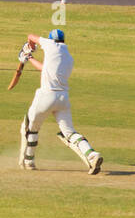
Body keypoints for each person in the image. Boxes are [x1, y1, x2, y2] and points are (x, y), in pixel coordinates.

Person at [18, 30, 103, 174]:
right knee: (70, 133)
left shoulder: (50, 44)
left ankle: (29, 161)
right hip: (63, 99)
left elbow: (31, 36)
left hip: (46, 96)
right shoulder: (69, 58)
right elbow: (44, 69)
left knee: (30, 128)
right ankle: (92, 155)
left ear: (52, 39)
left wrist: (29, 46)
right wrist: (29, 57)